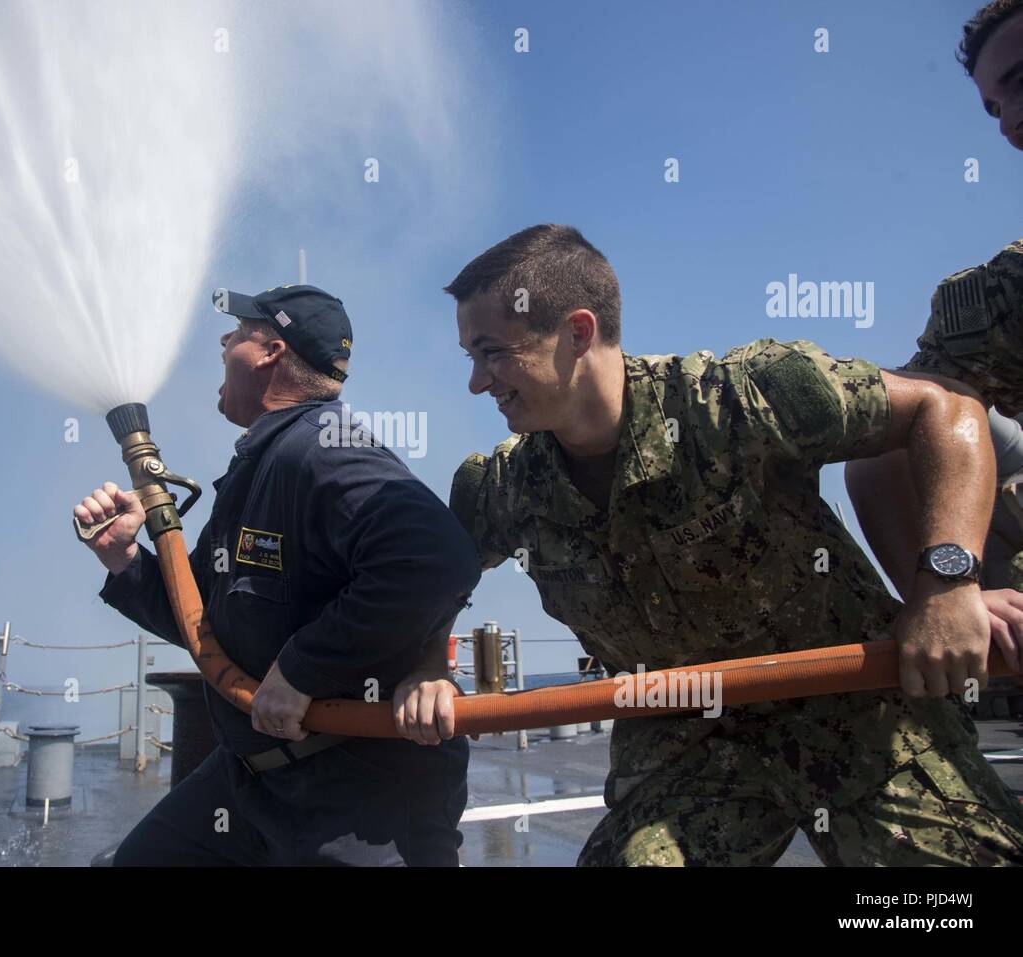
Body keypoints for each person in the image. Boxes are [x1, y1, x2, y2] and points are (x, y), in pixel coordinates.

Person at [399, 223, 1023, 865]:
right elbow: (442, 575)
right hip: (688, 749)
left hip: (860, 716)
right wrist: (425, 669)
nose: (478, 382)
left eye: (493, 352)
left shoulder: (741, 399)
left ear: (577, 333)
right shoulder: (500, 487)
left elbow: (946, 411)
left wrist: (947, 584)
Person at [77, 284, 478, 865]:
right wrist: (123, 557)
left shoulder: (323, 450)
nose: (222, 341)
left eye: (237, 332)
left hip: (358, 796)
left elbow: (435, 561)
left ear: (269, 352)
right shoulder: (260, 466)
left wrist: (300, 669)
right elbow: (203, 625)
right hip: (249, 782)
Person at [845, 0, 1023, 673]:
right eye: (993, 105)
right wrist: (946, 588)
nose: (1007, 123)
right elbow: (882, 446)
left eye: (1021, 84)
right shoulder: (1003, 296)